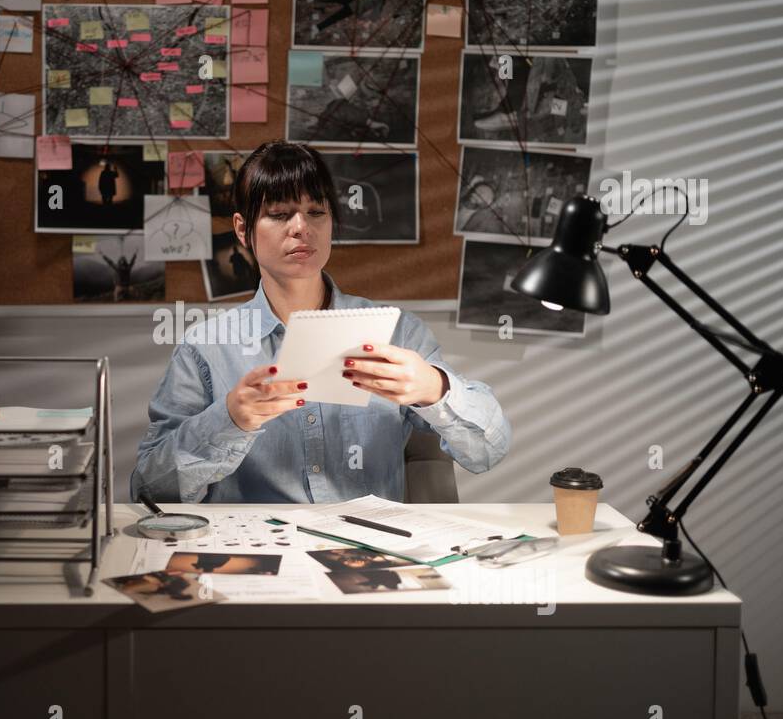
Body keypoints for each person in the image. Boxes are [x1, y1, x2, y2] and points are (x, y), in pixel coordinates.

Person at [131, 141, 510, 504]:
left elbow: (489, 450)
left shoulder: (396, 332)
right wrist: (228, 419)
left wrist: (434, 386)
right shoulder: (206, 348)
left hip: (369, 552)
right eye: (279, 214)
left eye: (316, 212)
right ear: (243, 230)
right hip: (259, 557)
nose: (301, 228)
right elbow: (149, 488)